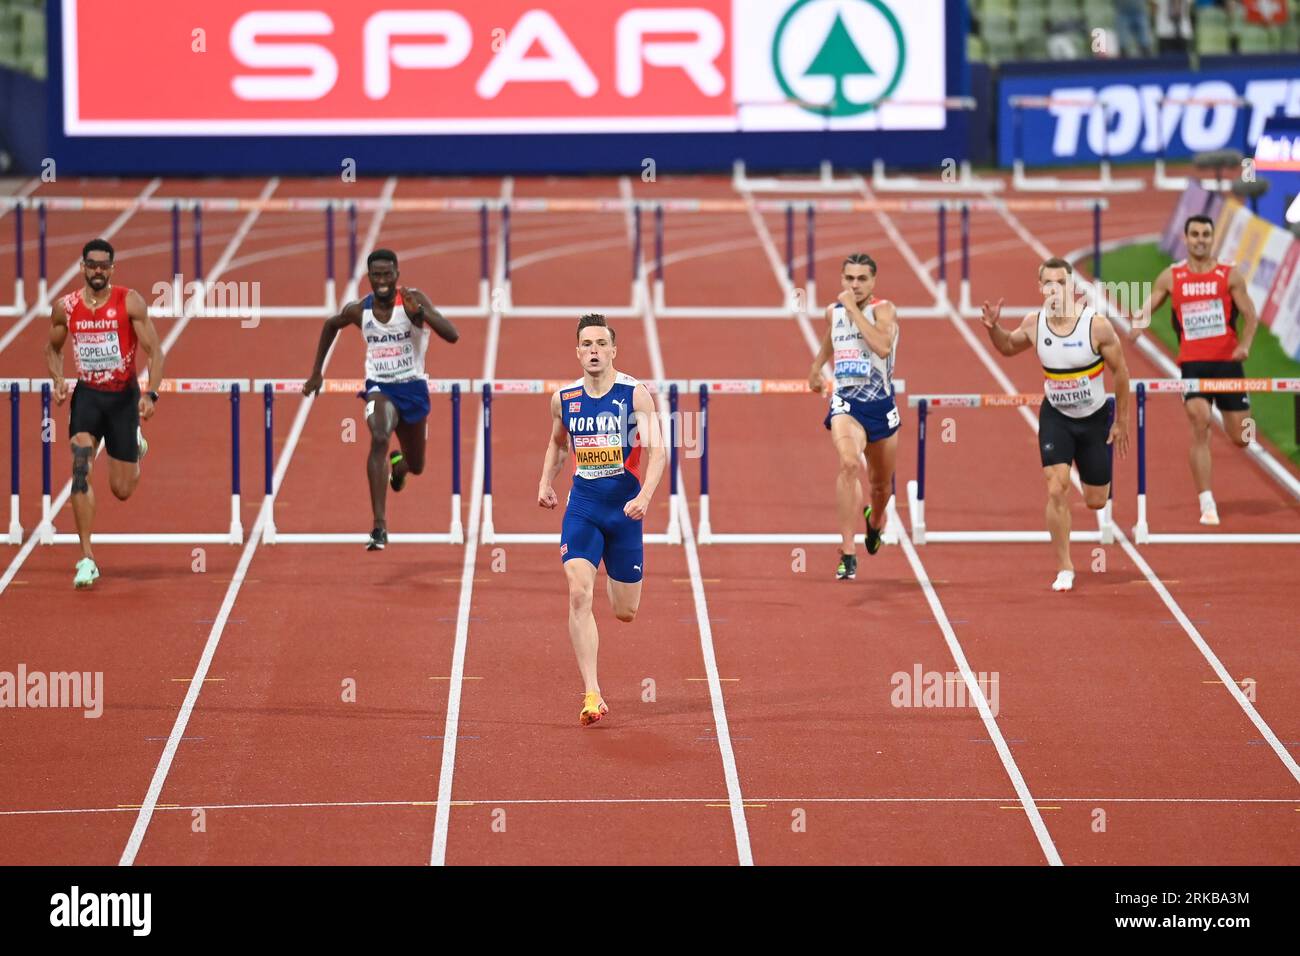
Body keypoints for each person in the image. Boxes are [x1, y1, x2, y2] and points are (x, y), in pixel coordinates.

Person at [538, 314, 666, 727]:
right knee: (578, 592)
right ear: (577, 352)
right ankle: (592, 693)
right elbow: (558, 445)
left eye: (600, 344)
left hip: (625, 510)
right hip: (584, 508)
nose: (593, 350)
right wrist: (545, 482)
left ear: (613, 350)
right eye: (586, 344)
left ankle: (616, 571)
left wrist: (645, 497)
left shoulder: (635, 395)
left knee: (625, 611)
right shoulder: (565, 399)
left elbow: (658, 452)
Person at [981, 257, 1131, 592]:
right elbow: (1007, 348)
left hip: (1094, 419)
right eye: (1048, 283)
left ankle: (1099, 475)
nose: (1054, 289)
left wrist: (1120, 421)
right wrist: (994, 329)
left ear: (1072, 285)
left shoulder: (1096, 326)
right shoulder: (1035, 324)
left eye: (1060, 283)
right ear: (1040, 288)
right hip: (1056, 417)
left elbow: (1121, 372)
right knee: (1056, 486)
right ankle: (1064, 566)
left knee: (1095, 501)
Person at [302, 249, 459, 550]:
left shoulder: (413, 300)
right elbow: (330, 325)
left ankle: (398, 468)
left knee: (416, 465)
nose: (383, 280)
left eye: (388, 274)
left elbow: (452, 335)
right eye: (377, 275)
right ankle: (379, 527)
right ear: (369, 278)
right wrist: (316, 373)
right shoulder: (360, 311)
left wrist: (420, 316)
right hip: (380, 387)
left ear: (397, 275)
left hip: (412, 388)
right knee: (378, 435)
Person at [45, 238, 165, 589]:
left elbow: (155, 351)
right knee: (80, 466)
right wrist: (57, 380)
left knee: (122, 490)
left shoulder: (129, 301)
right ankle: (86, 557)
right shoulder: (65, 307)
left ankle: (134, 444)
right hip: (88, 398)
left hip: (122, 399)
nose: (98, 270)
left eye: (104, 265)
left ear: (112, 269)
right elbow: (51, 348)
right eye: (92, 265)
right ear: (82, 267)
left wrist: (151, 394)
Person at [1130, 215, 1257, 525]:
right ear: (1185, 239)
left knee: (1241, 437)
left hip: (1228, 364)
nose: (1200, 239)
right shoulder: (1172, 277)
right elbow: (1148, 306)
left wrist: (1245, 345)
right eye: (1195, 234)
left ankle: (1240, 410)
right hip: (1193, 365)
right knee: (1199, 423)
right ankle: (1207, 502)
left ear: (1212, 239)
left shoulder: (1229, 276)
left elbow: (1251, 316)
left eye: (1206, 234)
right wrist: (1138, 323)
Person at [808, 253, 900, 581]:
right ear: (841, 279)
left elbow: (882, 347)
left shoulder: (883, 310)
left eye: (861, 279)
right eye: (849, 278)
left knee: (880, 487)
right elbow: (831, 339)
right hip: (847, 404)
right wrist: (817, 366)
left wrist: (852, 310)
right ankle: (848, 552)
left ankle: (874, 525)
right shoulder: (833, 313)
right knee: (848, 463)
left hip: (881, 408)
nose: (854, 285)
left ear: (873, 282)